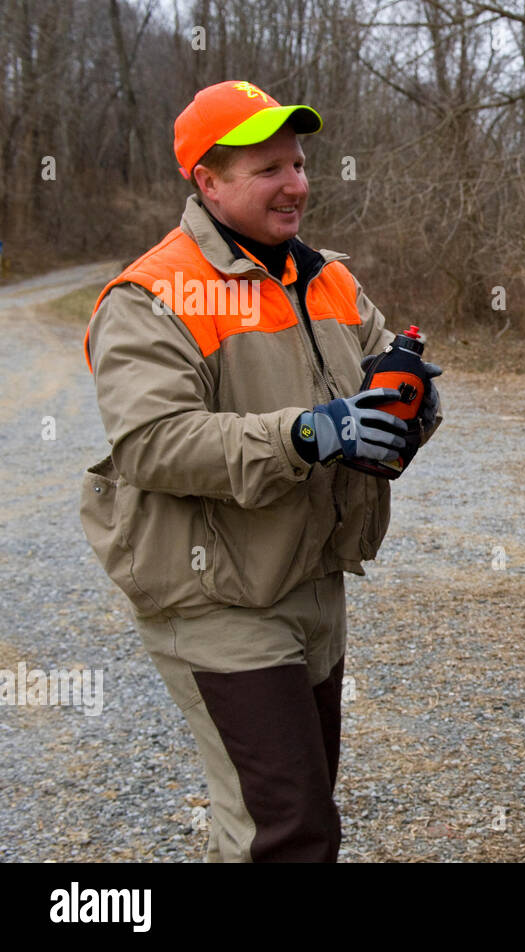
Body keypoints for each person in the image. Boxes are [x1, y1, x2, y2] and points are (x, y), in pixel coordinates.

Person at [79, 80, 441, 862]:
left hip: (314, 580)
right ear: (207, 181)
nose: (298, 185)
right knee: (288, 831)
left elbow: (386, 393)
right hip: (217, 594)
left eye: (300, 164)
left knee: (277, 811)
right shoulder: (151, 296)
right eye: (269, 169)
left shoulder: (328, 278)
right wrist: (310, 433)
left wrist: (407, 417)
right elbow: (152, 443)